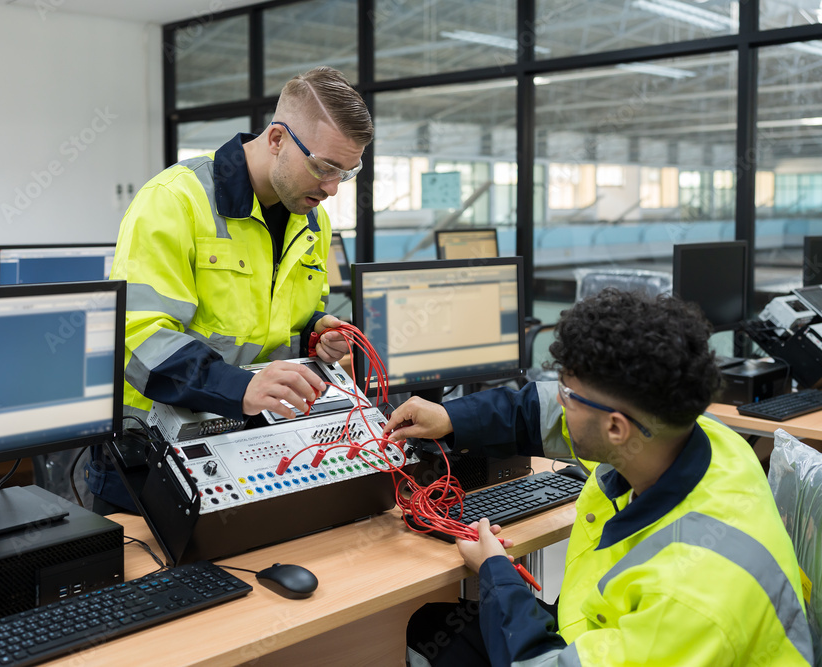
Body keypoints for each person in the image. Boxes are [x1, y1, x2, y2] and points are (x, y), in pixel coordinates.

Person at [383, 289, 812, 666]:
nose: (559, 401)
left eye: (569, 393)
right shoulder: (693, 435)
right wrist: (449, 416)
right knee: (438, 630)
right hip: (604, 631)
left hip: (639, 641)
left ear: (615, 428)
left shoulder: (690, 595)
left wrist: (496, 572)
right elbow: (541, 413)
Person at [85, 66, 373, 513]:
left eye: (347, 172)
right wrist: (239, 387)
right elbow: (138, 339)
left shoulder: (312, 219)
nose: (333, 188)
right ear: (277, 139)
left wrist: (317, 334)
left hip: (251, 448)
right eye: (324, 167)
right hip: (151, 460)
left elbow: (281, 324)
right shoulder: (176, 199)